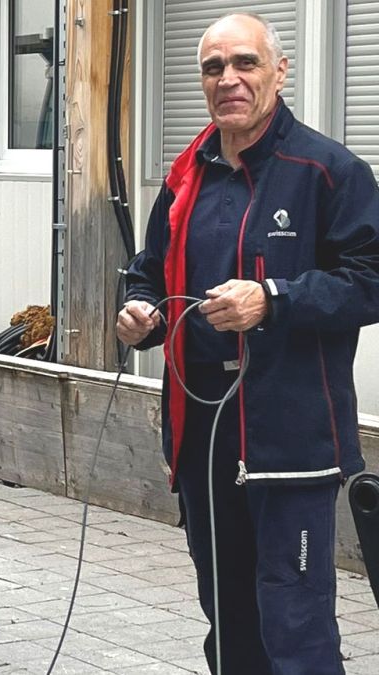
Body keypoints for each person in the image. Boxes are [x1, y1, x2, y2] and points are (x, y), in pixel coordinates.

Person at [118, 12, 379, 675]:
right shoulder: (186, 176)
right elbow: (148, 268)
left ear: (279, 71)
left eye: (245, 63)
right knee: (228, 617)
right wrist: (137, 309)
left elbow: (370, 280)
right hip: (203, 430)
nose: (228, 78)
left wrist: (274, 298)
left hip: (291, 435)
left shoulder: (328, 170)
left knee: (293, 624)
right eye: (213, 67)